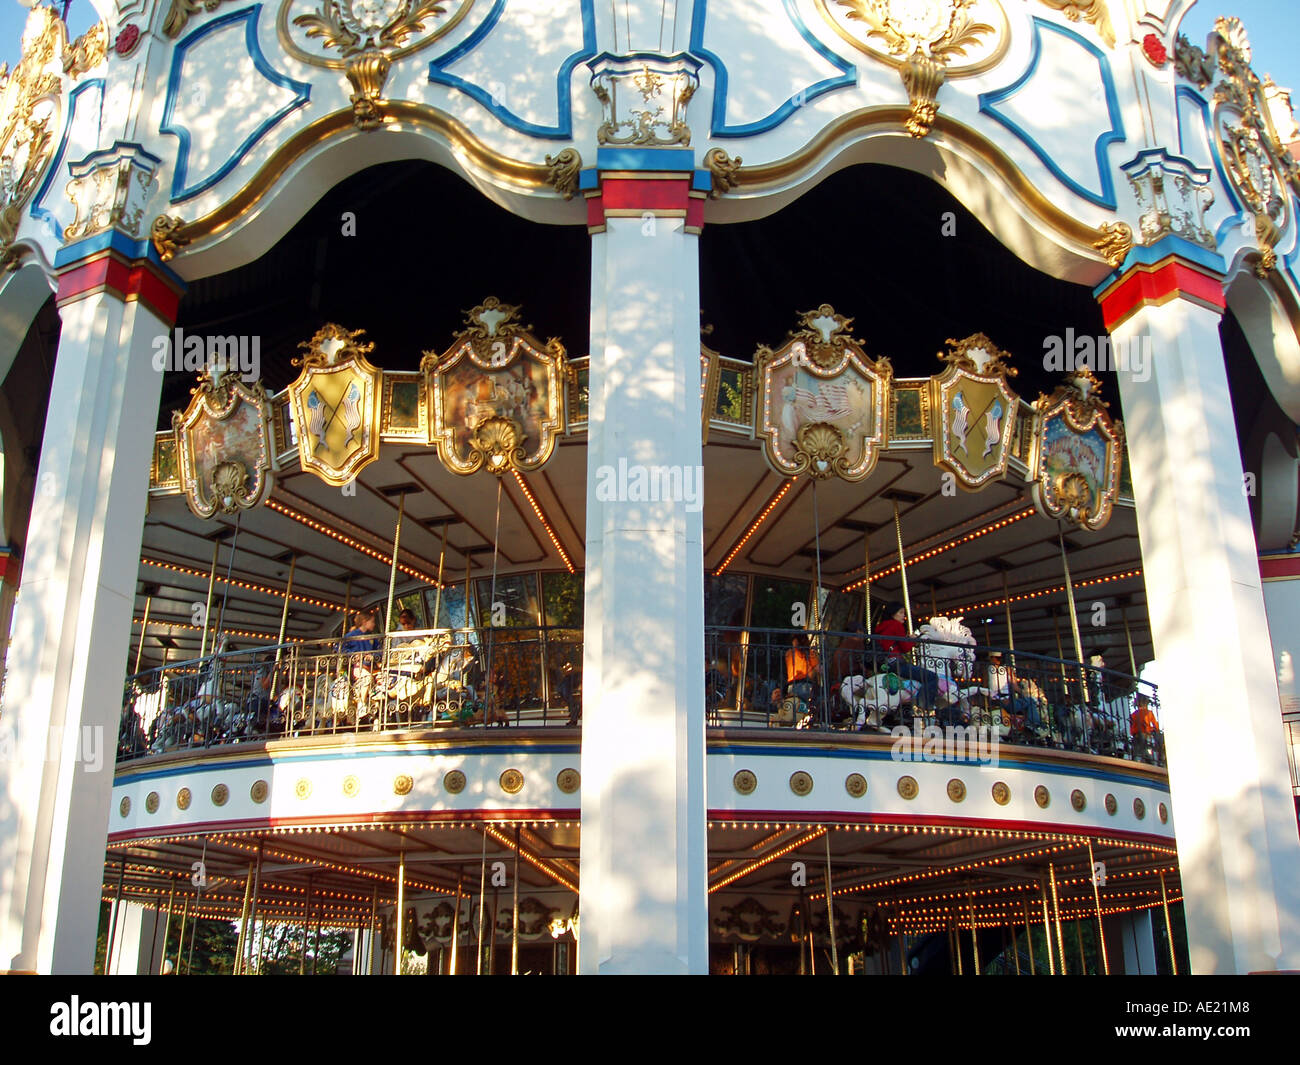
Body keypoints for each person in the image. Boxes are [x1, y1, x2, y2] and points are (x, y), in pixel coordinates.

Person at [873, 602, 939, 713]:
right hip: (897, 663)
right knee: (931, 677)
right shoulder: (896, 625)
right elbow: (905, 648)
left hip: (885, 663)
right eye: (901, 612)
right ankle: (924, 706)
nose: (904, 615)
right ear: (893, 614)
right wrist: (913, 640)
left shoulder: (881, 627)